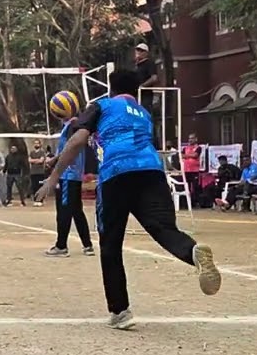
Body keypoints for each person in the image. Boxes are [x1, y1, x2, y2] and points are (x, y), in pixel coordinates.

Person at [34, 69, 221, 330]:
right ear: (136, 91)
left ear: (111, 88)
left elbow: (78, 139)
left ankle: (120, 311)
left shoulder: (101, 105)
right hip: (152, 173)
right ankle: (192, 252)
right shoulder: (144, 114)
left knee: (111, 244)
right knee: (164, 229)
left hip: (117, 174)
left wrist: (54, 177)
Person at [45, 114, 95, 258]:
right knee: (76, 211)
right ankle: (87, 245)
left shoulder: (72, 125)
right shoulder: (77, 125)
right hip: (74, 175)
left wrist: (54, 160)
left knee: (63, 211)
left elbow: (70, 148)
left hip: (68, 174)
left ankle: (61, 246)